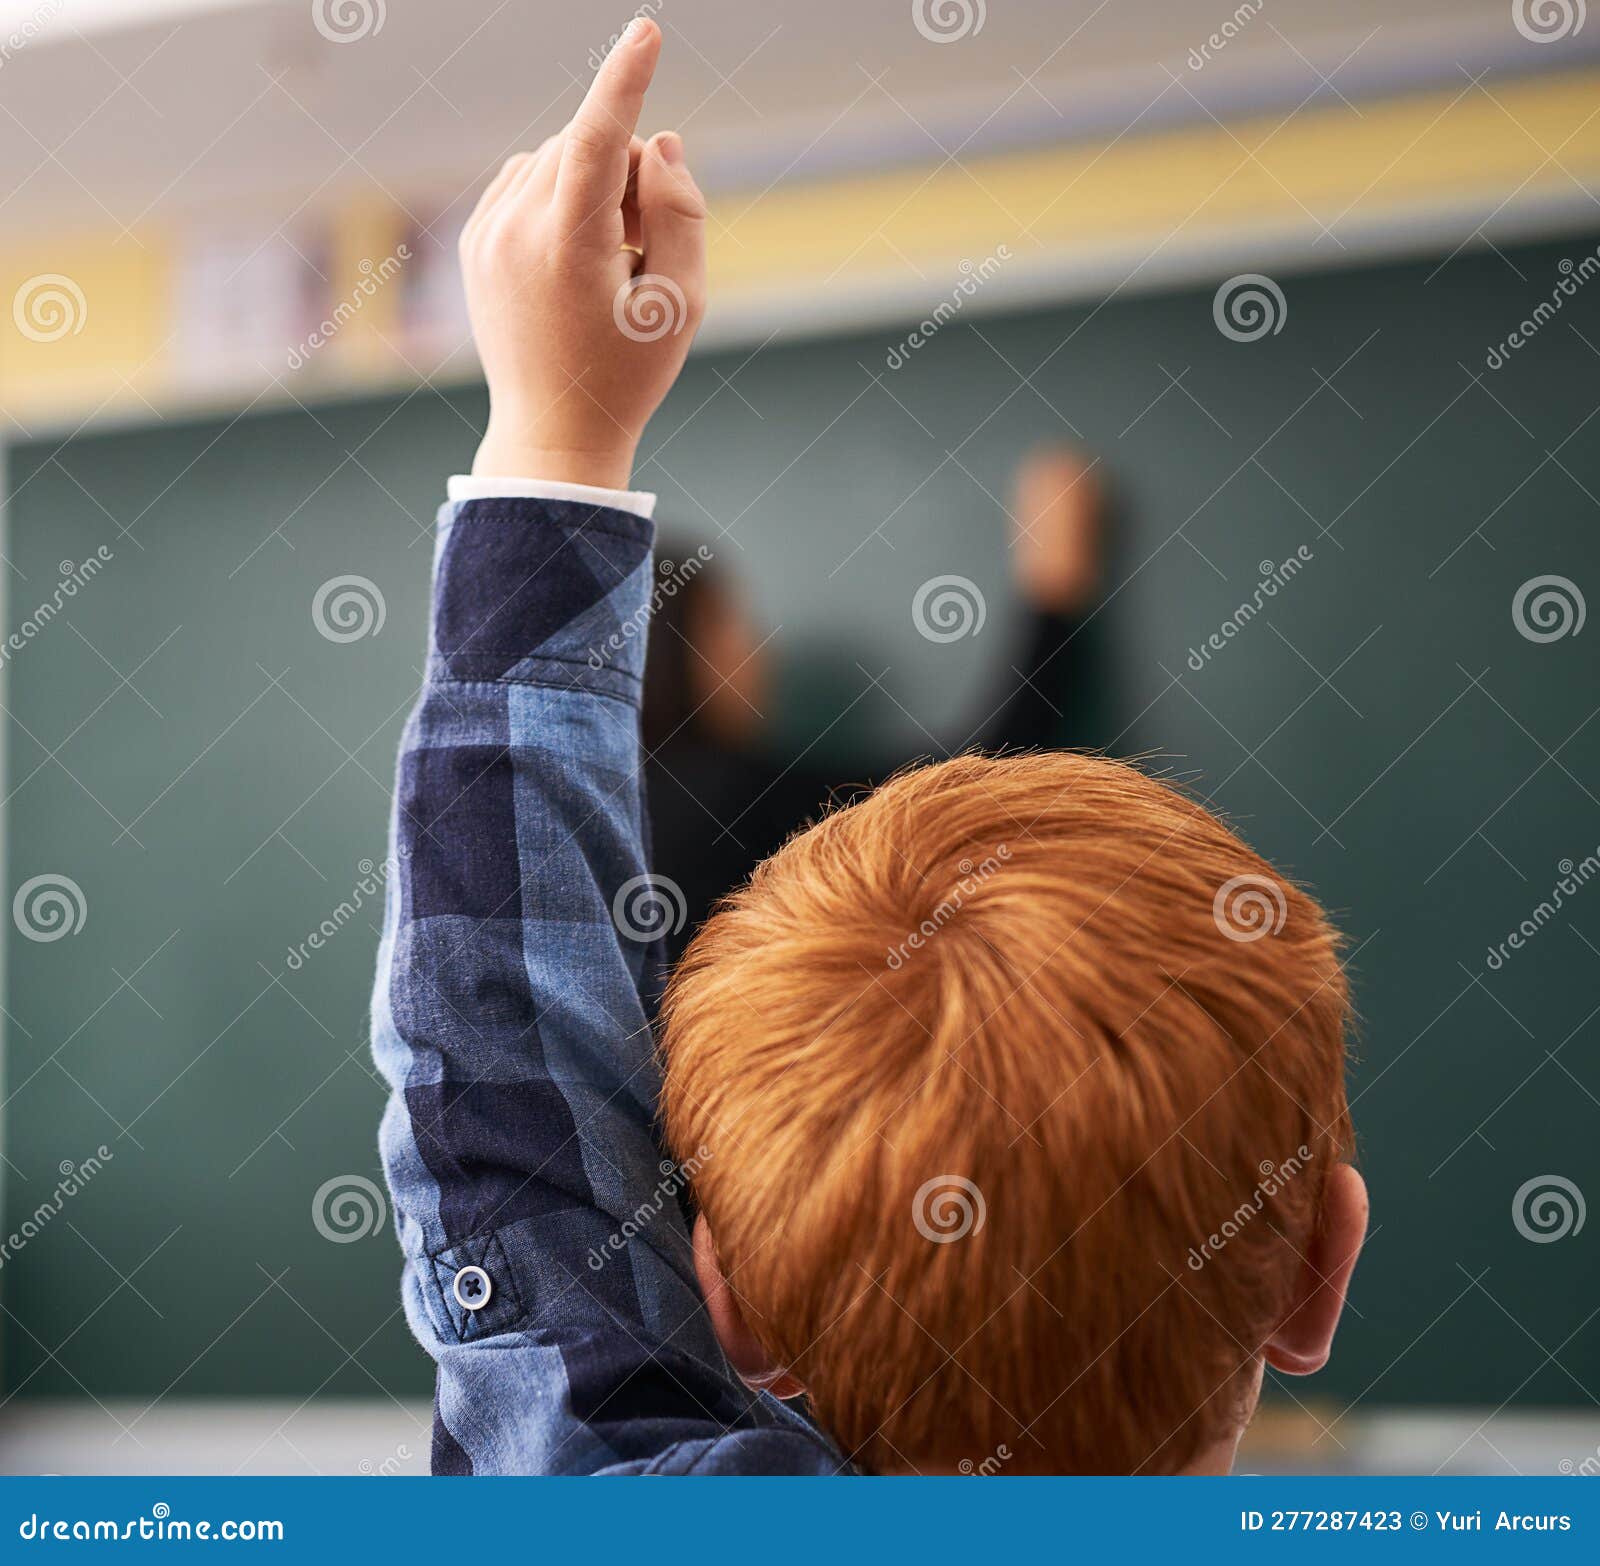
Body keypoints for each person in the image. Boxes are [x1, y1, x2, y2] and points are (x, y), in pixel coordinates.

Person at [372, 18, 1366, 1476]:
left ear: (725, 1296)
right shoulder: (754, 789)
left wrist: (554, 435)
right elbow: (505, 1069)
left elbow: (497, 1075)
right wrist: (1053, 586)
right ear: (1317, 1261)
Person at [642, 446, 1112, 964]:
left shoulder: (619, 798)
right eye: (723, 625)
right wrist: (1053, 590)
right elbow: (978, 779)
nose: (756, 650)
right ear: (669, 652)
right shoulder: (726, 796)